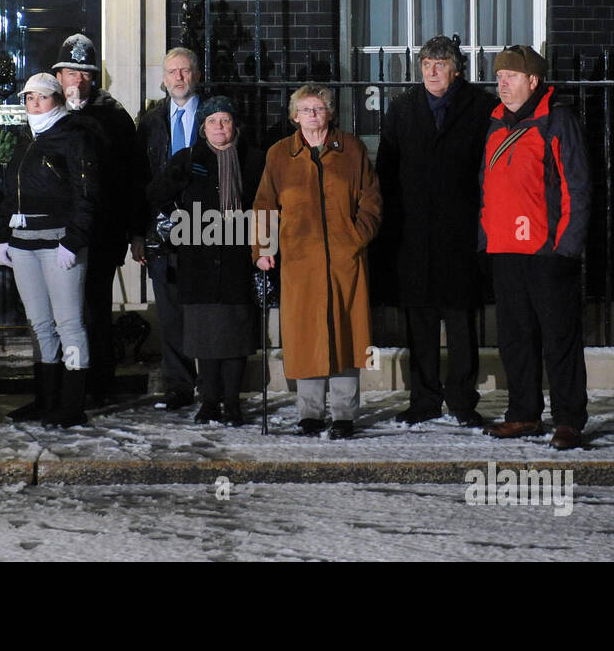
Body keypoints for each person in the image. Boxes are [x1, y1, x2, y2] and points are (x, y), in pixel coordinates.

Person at [374, 35, 499, 428]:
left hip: (462, 234)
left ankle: (463, 400)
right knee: (421, 323)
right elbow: (386, 172)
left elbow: (490, 171)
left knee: (461, 323)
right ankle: (424, 399)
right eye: (426, 63)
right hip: (413, 236)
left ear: (456, 69)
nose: (431, 71)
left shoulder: (482, 107)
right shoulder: (402, 108)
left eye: (440, 64)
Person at [253, 84, 382, 440]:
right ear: (294, 116)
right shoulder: (280, 154)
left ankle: (344, 414)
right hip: (300, 263)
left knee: (346, 337)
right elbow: (265, 205)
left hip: (345, 261)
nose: (313, 115)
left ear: (330, 114)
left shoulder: (351, 150)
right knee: (305, 336)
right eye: (305, 109)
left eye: (319, 108)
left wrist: (355, 238)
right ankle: (309, 413)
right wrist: (264, 248)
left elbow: (371, 202)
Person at [479, 45, 591, 451]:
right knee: (515, 338)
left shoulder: (557, 120)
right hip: (505, 250)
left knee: (559, 339)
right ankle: (523, 414)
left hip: (547, 253)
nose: (502, 83)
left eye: (510, 76)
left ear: (533, 80)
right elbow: (486, 188)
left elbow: (576, 186)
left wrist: (567, 247)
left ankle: (569, 420)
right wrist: (485, 236)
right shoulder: (494, 123)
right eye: (499, 76)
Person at [0, 73, 100, 428]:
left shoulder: (74, 135)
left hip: (58, 243)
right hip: (23, 244)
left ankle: (72, 403)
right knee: (40, 324)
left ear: (57, 100)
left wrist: (74, 239)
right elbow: (11, 191)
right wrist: (2, 236)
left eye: (43, 97)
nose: (34, 104)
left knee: (69, 323)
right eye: (29, 98)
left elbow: (88, 192)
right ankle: (46, 399)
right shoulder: (25, 139)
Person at [147, 96, 264, 425]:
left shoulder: (253, 159)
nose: (219, 127)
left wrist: (262, 246)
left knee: (236, 337)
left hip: (239, 258)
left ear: (234, 125)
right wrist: (177, 218)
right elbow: (156, 193)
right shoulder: (189, 158)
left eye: (225, 121)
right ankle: (209, 401)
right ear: (203, 127)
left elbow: (267, 203)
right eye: (212, 122)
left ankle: (233, 402)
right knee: (205, 337)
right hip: (199, 258)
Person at [52, 33, 150, 408]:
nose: (77, 80)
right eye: (71, 72)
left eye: (85, 73)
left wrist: (135, 230)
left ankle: (96, 384)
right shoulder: (46, 107)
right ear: (58, 74)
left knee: (94, 309)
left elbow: (134, 177)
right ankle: (62, 383)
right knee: (61, 310)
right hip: (57, 231)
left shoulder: (113, 115)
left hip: (103, 231)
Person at [136, 47, 204, 410]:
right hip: (161, 228)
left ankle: (210, 384)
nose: (179, 77)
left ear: (196, 74)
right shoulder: (149, 121)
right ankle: (179, 385)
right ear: (163, 79)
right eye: (172, 71)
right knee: (170, 309)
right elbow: (137, 178)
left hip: (206, 227)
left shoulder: (214, 115)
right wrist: (138, 233)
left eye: (185, 70)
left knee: (203, 306)